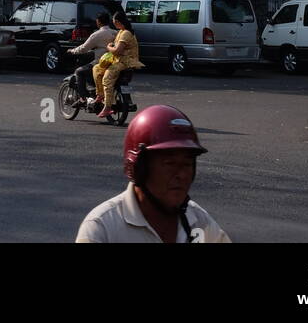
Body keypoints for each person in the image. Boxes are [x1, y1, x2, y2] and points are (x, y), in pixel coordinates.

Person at [75, 104, 231, 243]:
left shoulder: (198, 221)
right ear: (139, 168)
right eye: (169, 164)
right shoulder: (103, 227)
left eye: (187, 164)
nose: (182, 175)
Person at [93, 8, 144, 119]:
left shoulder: (126, 33)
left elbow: (117, 51)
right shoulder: (121, 32)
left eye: (115, 22)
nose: (114, 24)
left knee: (107, 78)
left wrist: (109, 47)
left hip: (125, 62)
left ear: (118, 22)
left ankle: (107, 106)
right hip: (119, 60)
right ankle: (100, 95)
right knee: (96, 69)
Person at [66, 11, 116, 104]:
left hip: (101, 62)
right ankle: (93, 90)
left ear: (98, 22)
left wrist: (72, 51)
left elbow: (84, 48)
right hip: (114, 63)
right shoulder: (115, 33)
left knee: (79, 71)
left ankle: (82, 98)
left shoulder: (97, 34)